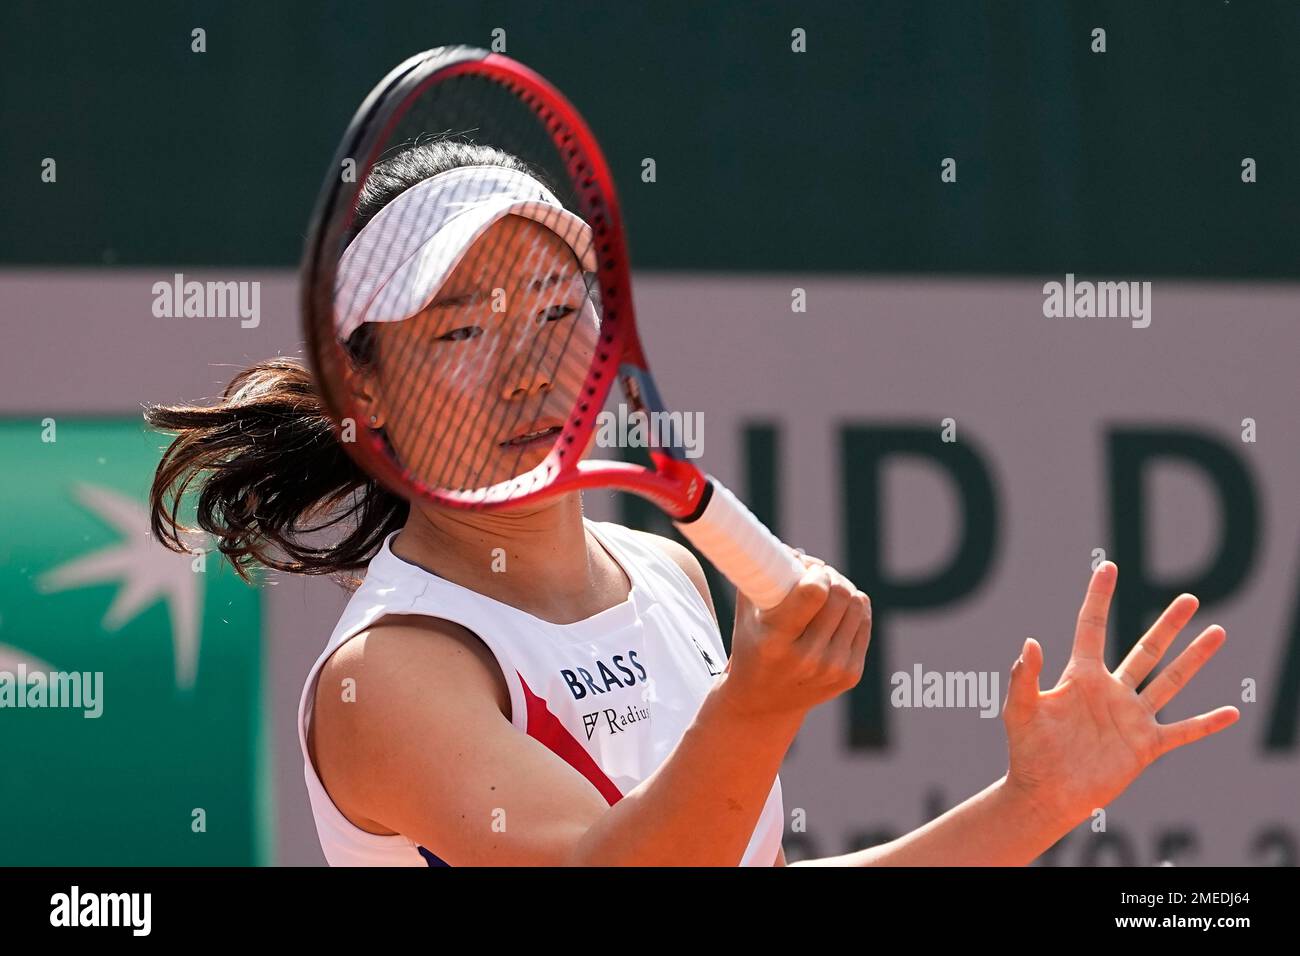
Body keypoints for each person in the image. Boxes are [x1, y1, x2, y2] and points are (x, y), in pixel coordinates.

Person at [145, 140, 1239, 866]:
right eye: (462, 330)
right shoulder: (386, 676)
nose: (529, 366)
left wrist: (1030, 805)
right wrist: (755, 708)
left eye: (555, 307)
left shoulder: (665, 570)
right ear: (363, 390)